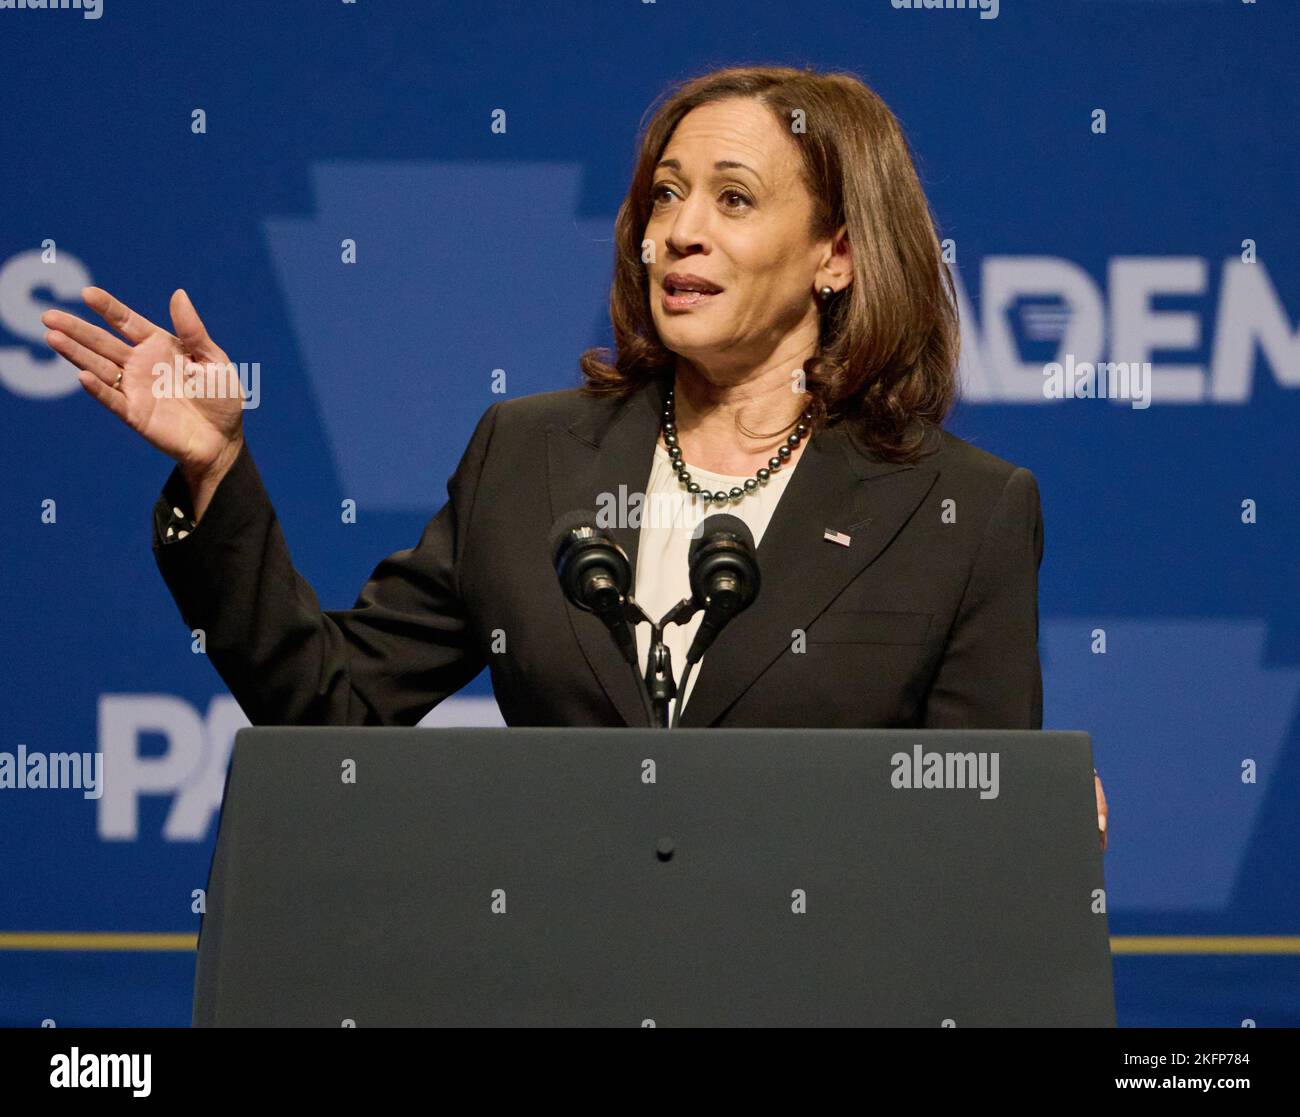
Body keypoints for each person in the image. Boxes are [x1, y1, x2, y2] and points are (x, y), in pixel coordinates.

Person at [41, 64, 1108, 849]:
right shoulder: (530, 454)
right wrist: (216, 472)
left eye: (733, 198)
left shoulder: (959, 509)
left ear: (836, 254)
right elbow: (332, 711)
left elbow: (974, 837)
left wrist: (1033, 823)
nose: (678, 233)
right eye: (665, 193)